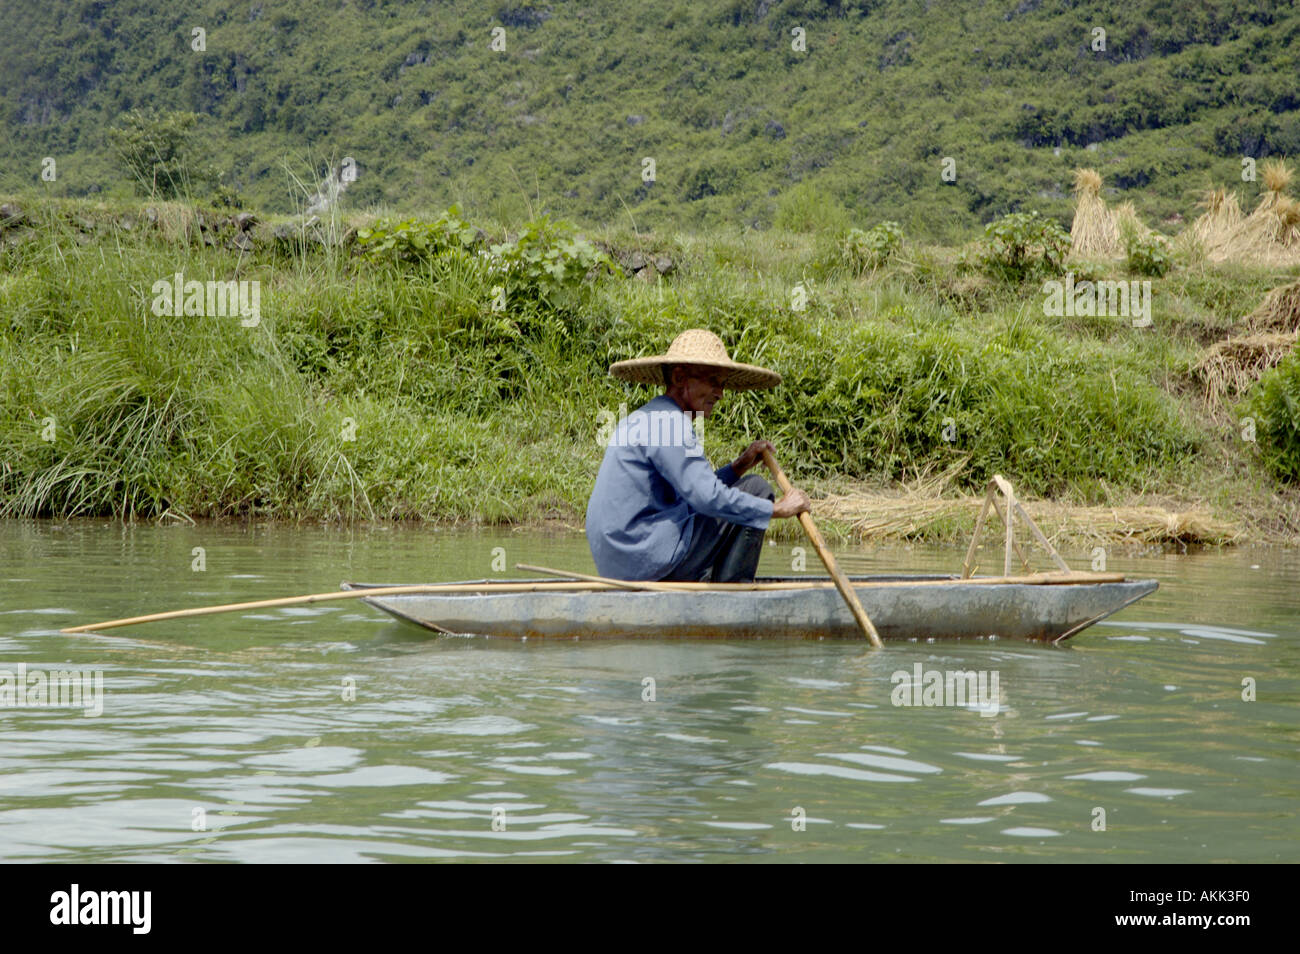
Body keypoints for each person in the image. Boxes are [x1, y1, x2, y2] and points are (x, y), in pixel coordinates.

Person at [586, 328, 811, 582]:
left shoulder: (647, 417)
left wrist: (738, 466)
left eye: (723, 384)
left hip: (624, 561)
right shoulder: (670, 423)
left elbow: (691, 493)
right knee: (757, 489)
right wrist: (778, 508)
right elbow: (706, 497)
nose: (720, 393)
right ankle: (731, 595)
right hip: (644, 557)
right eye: (713, 381)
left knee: (744, 486)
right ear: (680, 377)